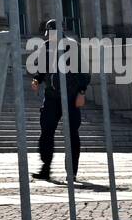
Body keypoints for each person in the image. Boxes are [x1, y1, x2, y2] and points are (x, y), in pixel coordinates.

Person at [31, 19, 91, 182]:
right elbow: (42, 70)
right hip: (52, 96)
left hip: (71, 96)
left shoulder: (72, 45)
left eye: (50, 33)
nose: (48, 37)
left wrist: (82, 92)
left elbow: (84, 71)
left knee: (72, 133)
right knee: (46, 131)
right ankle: (45, 168)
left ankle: (71, 172)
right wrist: (37, 79)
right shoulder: (46, 47)